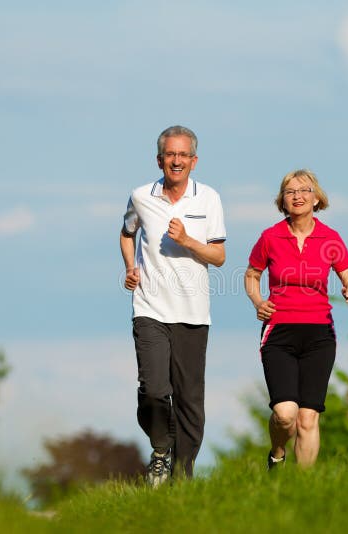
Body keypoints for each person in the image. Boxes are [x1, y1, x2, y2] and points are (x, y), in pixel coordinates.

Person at [120, 125, 226, 486]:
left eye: (183, 155)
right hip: (149, 307)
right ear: (159, 159)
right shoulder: (140, 196)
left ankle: (182, 477)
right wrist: (130, 267)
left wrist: (188, 241)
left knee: (190, 403)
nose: (176, 161)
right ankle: (162, 450)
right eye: (170, 154)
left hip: (193, 313)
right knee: (152, 389)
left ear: (194, 161)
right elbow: (127, 233)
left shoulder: (209, 198)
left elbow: (219, 256)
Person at [244, 169, 348, 469]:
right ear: (282, 201)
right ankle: (277, 453)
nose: (298, 196)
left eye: (304, 190)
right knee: (285, 414)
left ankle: (301, 490)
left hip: (319, 334)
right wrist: (258, 300)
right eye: (290, 192)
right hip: (279, 332)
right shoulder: (270, 238)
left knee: (308, 417)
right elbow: (252, 275)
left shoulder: (330, 238)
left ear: (317, 197)